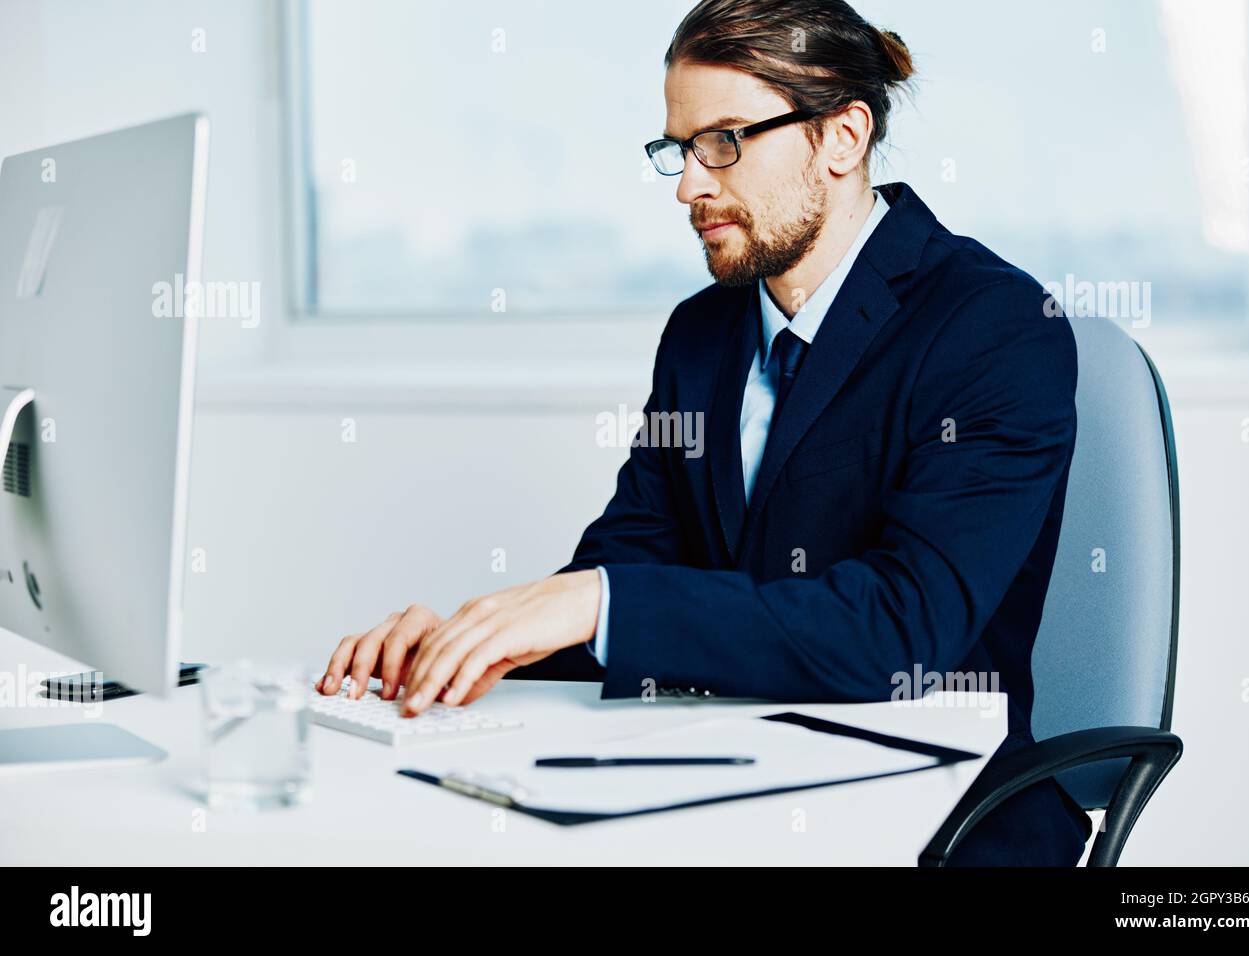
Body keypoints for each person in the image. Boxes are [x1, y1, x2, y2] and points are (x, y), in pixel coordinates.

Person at [318, 0, 1092, 866]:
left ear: (841, 137)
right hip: (736, 787)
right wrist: (478, 642)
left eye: (724, 140)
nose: (690, 184)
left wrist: (595, 604)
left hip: (935, 817)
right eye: (679, 150)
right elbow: (635, 566)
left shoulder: (993, 324)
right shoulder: (702, 334)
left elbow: (902, 628)